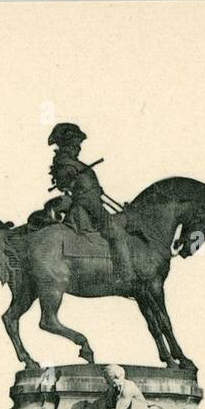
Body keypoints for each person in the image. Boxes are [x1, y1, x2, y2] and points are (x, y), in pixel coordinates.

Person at [39, 122, 136, 286]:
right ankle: (125, 276)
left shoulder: (69, 162)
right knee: (116, 232)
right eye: (76, 143)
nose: (79, 148)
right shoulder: (64, 163)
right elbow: (64, 184)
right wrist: (72, 182)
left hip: (92, 202)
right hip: (86, 207)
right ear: (68, 144)